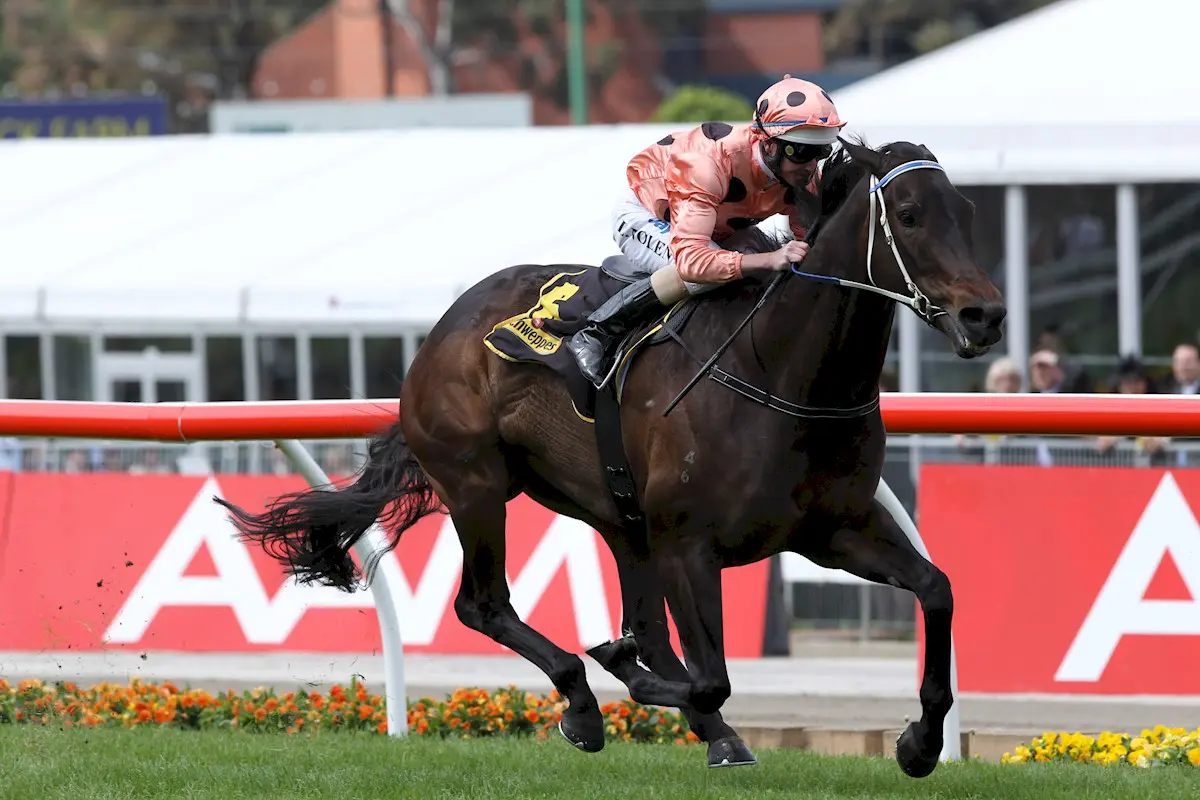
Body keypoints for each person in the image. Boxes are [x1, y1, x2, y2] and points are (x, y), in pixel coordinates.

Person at [567, 74, 847, 387]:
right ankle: (597, 331)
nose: (810, 166)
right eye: (800, 152)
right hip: (647, 215)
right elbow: (691, 261)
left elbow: (814, 248)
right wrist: (769, 259)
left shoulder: (801, 174)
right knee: (703, 277)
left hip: (713, 225)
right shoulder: (707, 163)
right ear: (767, 143)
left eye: (820, 152)